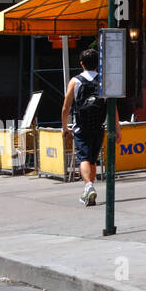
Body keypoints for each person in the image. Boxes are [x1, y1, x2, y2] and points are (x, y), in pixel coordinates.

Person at [61, 48, 119, 207]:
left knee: (84, 158)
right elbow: (112, 107)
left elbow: (66, 106)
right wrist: (117, 128)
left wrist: (65, 127)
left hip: (81, 126)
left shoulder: (75, 81)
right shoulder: (104, 80)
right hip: (99, 126)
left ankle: (88, 186)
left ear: (81, 64)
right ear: (97, 64)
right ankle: (89, 192)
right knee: (93, 159)